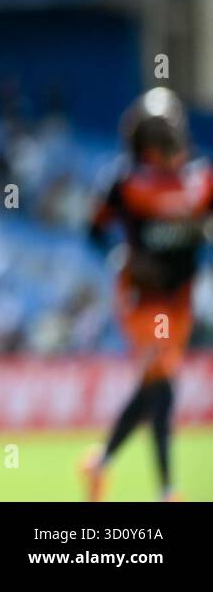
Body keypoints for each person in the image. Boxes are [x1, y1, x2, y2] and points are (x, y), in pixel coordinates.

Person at [83, 87, 209, 501]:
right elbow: (95, 231)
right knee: (162, 382)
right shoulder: (124, 184)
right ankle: (168, 489)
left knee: (158, 384)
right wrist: (123, 255)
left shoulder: (202, 181)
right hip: (141, 298)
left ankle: (99, 463)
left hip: (181, 299)